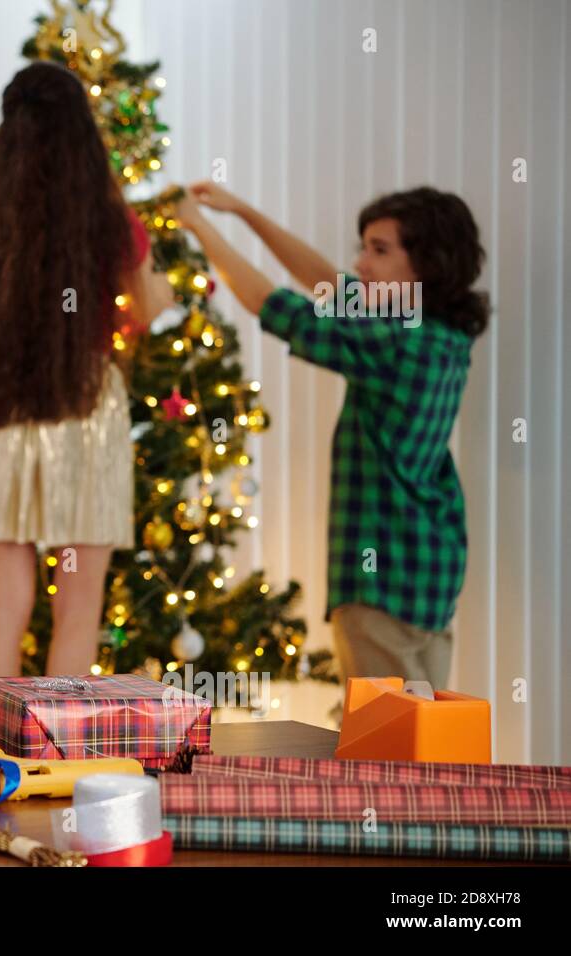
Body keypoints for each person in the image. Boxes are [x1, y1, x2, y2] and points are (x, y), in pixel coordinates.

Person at [176, 182, 488, 691]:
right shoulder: (439, 335)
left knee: (388, 749)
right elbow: (328, 284)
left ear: (426, 264)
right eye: (362, 247)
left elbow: (270, 304)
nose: (362, 263)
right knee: (425, 744)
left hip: (382, 579)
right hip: (427, 572)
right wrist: (242, 212)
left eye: (380, 250)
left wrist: (199, 225)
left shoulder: (398, 343)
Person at [0, 61, 172, 677]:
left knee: (7, 595)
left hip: (2, 402)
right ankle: (58, 751)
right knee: (79, 603)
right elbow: (152, 306)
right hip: (85, 401)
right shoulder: (111, 220)